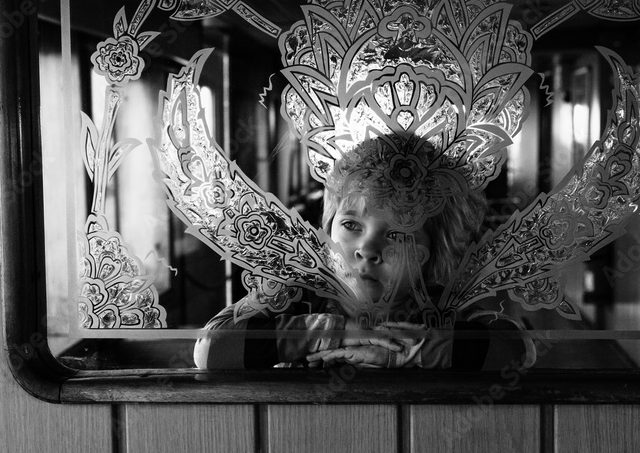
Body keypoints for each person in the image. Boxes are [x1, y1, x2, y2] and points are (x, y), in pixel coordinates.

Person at [193, 134, 489, 370]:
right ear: (329, 226)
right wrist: (338, 331)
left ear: (436, 249)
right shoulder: (300, 292)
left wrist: (404, 352)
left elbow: (518, 350)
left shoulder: (442, 304)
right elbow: (210, 350)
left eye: (398, 234)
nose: (367, 249)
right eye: (351, 224)